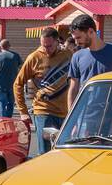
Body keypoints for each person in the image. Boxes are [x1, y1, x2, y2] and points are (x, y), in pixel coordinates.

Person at [13, 28, 74, 157]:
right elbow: (18, 84)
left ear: (58, 42)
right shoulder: (34, 58)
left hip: (66, 112)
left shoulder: (68, 55)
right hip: (43, 111)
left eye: (49, 46)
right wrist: (23, 112)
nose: (46, 49)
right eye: (43, 45)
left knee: (64, 152)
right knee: (45, 153)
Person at [66, 13, 112, 109]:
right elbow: (73, 88)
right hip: (83, 116)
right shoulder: (77, 56)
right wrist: (71, 117)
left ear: (91, 31)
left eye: (78, 38)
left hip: (111, 114)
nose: (76, 42)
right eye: (74, 39)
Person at [0, 39, 22, 118]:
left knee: (2, 102)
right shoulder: (16, 55)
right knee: (11, 103)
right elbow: (21, 67)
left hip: (1, 83)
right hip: (13, 83)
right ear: (9, 46)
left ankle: (2, 119)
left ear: (0, 47)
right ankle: (9, 118)